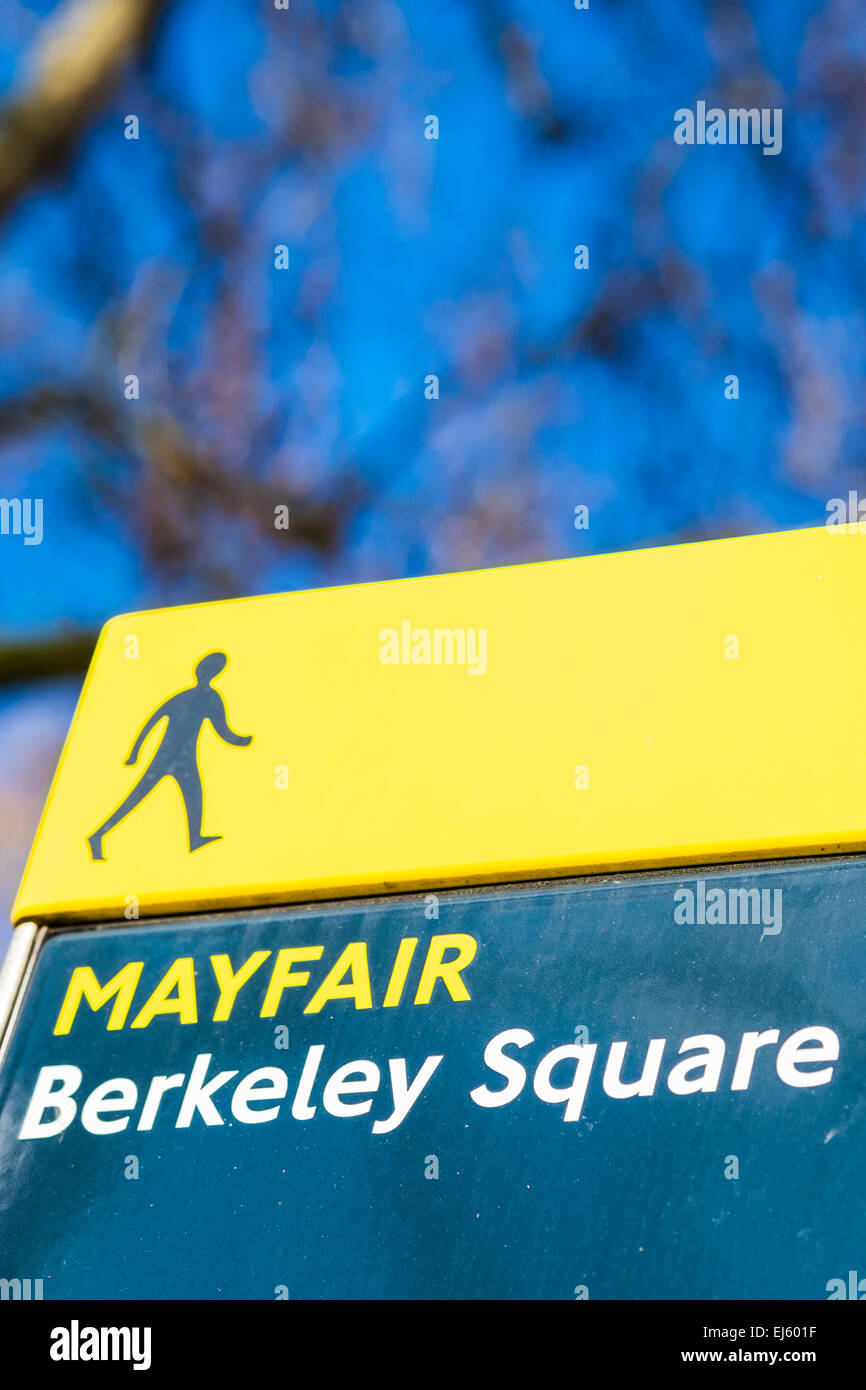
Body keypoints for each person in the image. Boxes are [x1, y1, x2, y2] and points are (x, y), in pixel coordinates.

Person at [87, 651, 252, 861]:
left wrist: (243, 740)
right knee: (136, 798)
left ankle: (195, 839)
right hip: (169, 755)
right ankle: (98, 835)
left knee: (193, 795)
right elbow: (154, 721)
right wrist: (134, 753)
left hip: (184, 758)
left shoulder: (202, 697)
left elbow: (221, 730)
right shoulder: (201, 697)